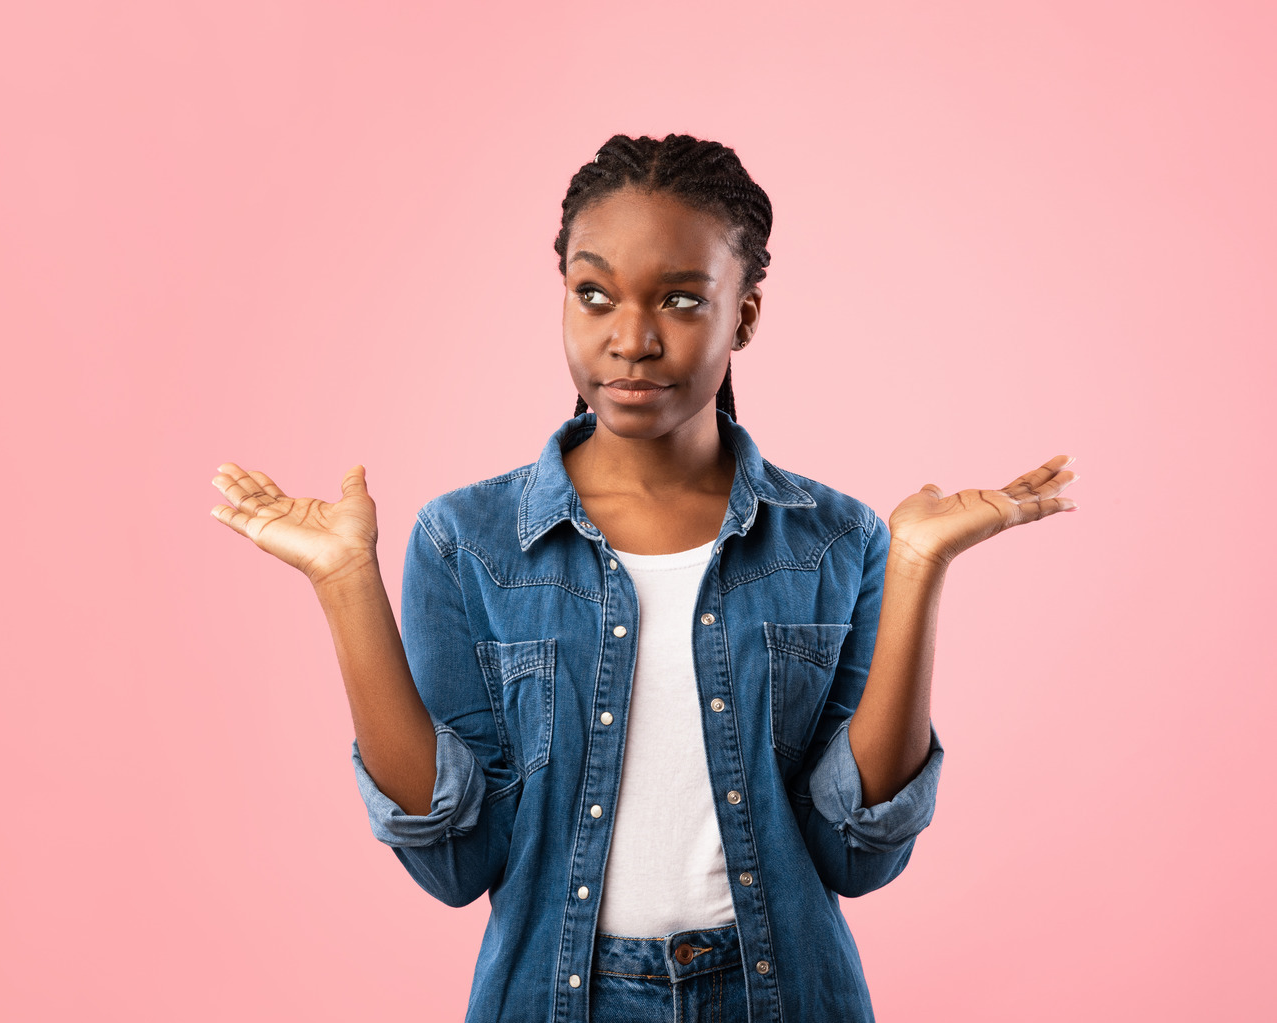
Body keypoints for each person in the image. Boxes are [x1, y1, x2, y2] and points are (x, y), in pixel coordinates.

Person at [207, 132, 1079, 1023]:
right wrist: (345, 579)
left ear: (744, 316)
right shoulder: (467, 541)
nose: (631, 339)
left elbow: (858, 854)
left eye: (681, 299)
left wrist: (919, 567)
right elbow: (455, 861)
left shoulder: (834, 540)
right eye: (594, 295)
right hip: (554, 998)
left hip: (782, 995)